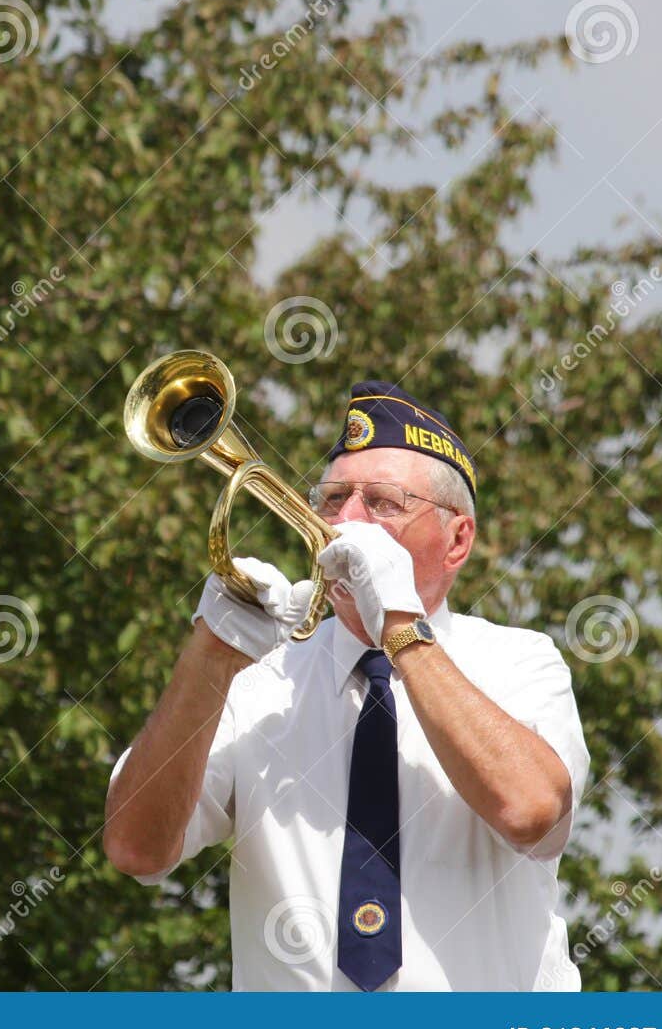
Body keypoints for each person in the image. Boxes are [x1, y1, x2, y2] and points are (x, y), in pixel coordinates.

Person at [103, 380, 590, 991]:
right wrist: (211, 654)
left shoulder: (517, 660)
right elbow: (135, 850)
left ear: (457, 540)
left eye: (384, 503)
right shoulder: (263, 675)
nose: (344, 522)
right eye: (333, 499)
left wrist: (400, 628)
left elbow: (533, 814)